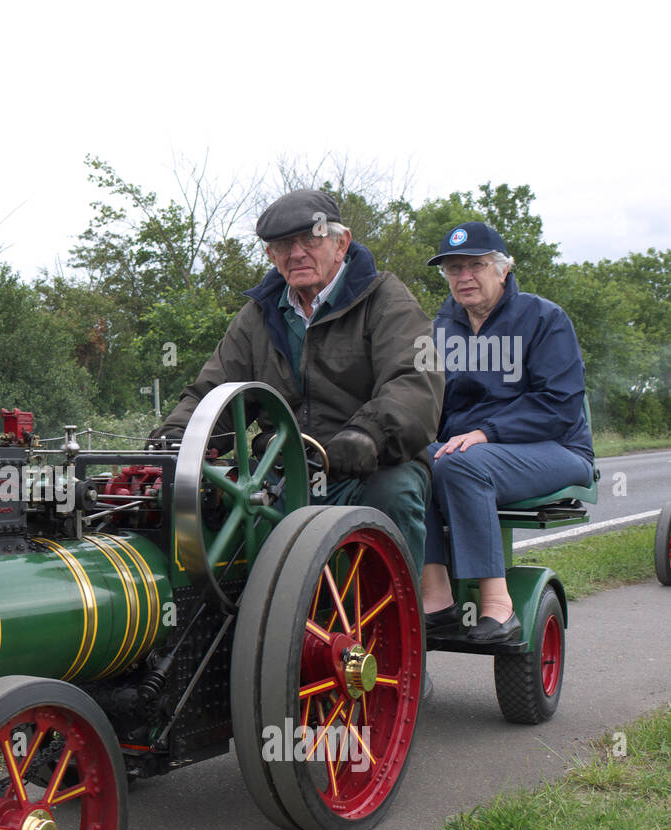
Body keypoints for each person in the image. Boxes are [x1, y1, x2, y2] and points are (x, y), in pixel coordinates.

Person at [153, 189, 442, 574]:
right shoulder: (258, 315)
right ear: (271, 256)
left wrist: (366, 436)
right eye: (282, 245)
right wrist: (176, 438)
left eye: (311, 239)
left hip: (373, 464)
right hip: (285, 468)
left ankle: (387, 629)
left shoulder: (387, 300)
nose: (297, 253)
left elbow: (414, 382)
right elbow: (214, 393)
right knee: (213, 507)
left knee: (393, 498)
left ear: (342, 243)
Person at [420, 222, 595, 642]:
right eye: (453, 269)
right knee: (409, 461)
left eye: (475, 265)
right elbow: (426, 402)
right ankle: (436, 598)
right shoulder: (436, 330)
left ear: (502, 269)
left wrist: (487, 432)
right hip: (470, 452)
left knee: (460, 463)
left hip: (556, 447)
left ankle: (499, 606)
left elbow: (559, 404)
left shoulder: (544, 319)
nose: (463, 277)